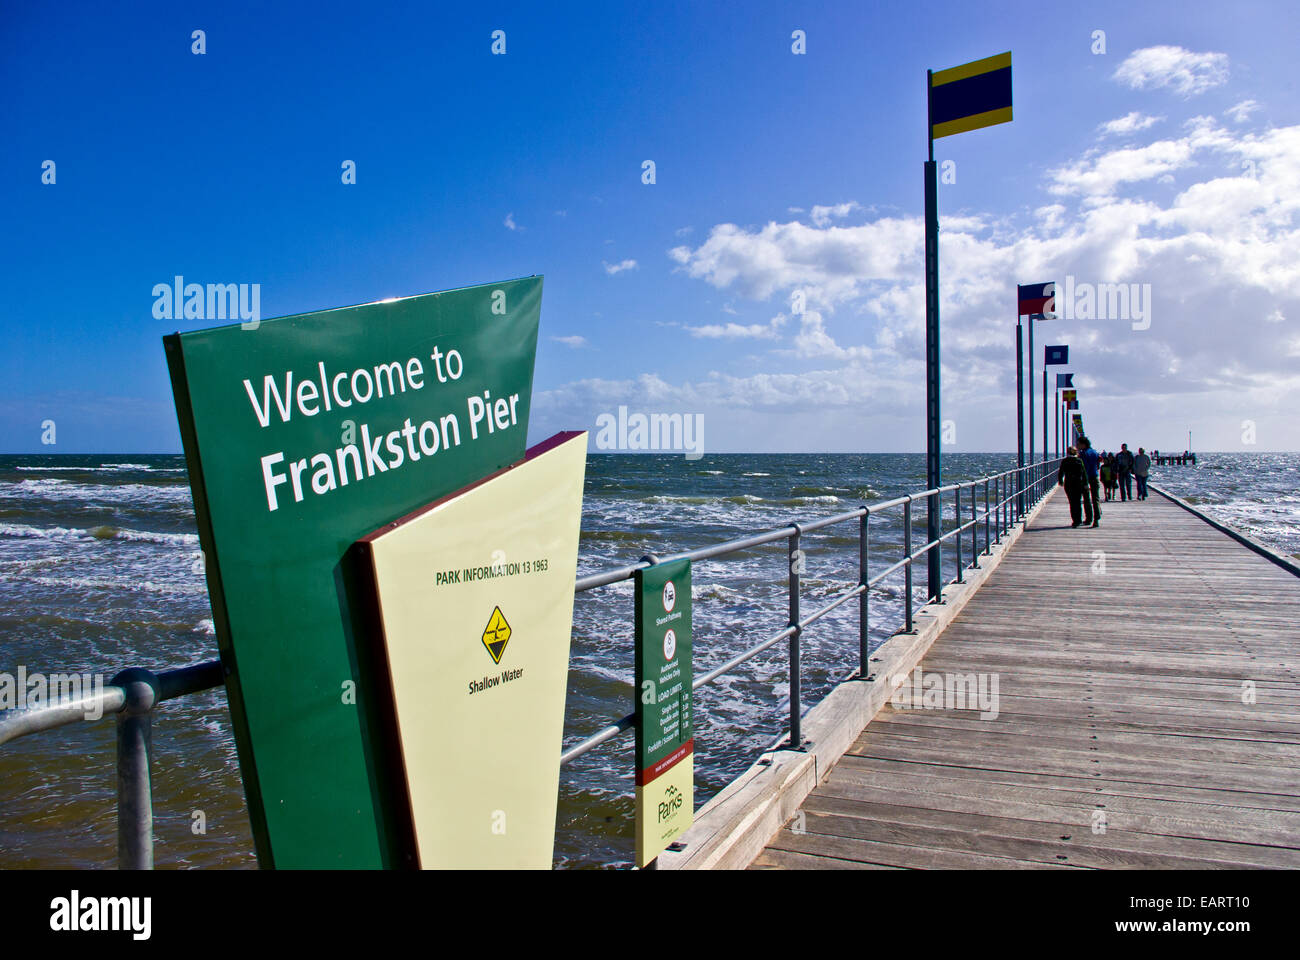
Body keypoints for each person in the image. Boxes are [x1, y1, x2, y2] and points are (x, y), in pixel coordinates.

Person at [1057, 446, 1087, 526]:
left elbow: (1061, 472)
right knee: (1078, 501)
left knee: (1072, 502)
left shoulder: (1065, 461)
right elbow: (1084, 473)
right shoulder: (1079, 461)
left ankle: (1075, 520)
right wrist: (1086, 484)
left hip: (1069, 483)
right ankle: (1079, 519)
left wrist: (1060, 481)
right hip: (1078, 483)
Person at [1078, 437, 1101, 527]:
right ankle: (1096, 519)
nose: (1077, 446)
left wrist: (1085, 481)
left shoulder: (1083, 454)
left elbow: (1084, 468)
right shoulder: (1094, 452)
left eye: (1079, 444)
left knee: (1087, 499)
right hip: (1094, 476)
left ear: (1083, 444)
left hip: (1086, 478)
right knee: (1095, 499)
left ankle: (1089, 518)